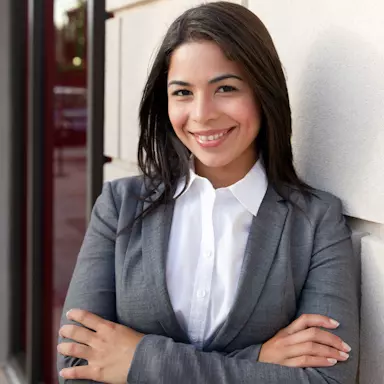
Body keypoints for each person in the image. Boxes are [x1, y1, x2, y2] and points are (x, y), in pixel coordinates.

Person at [57, 2, 359, 383]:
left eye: (226, 88)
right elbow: (76, 366)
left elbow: (327, 380)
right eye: (182, 92)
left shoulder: (316, 222)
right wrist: (259, 358)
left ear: (263, 93)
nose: (202, 114)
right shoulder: (119, 207)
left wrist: (139, 361)